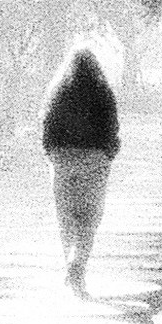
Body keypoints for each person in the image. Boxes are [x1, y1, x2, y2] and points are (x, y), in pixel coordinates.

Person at [39, 48, 121, 295]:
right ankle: (78, 267)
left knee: (66, 220)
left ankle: (71, 268)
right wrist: (108, 156)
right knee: (88, 220)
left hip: (62, 162)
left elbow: (46, 131)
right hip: (95, 162)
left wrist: (53, 157)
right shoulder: (103, 93)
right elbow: (112, 130)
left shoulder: (57, 93)